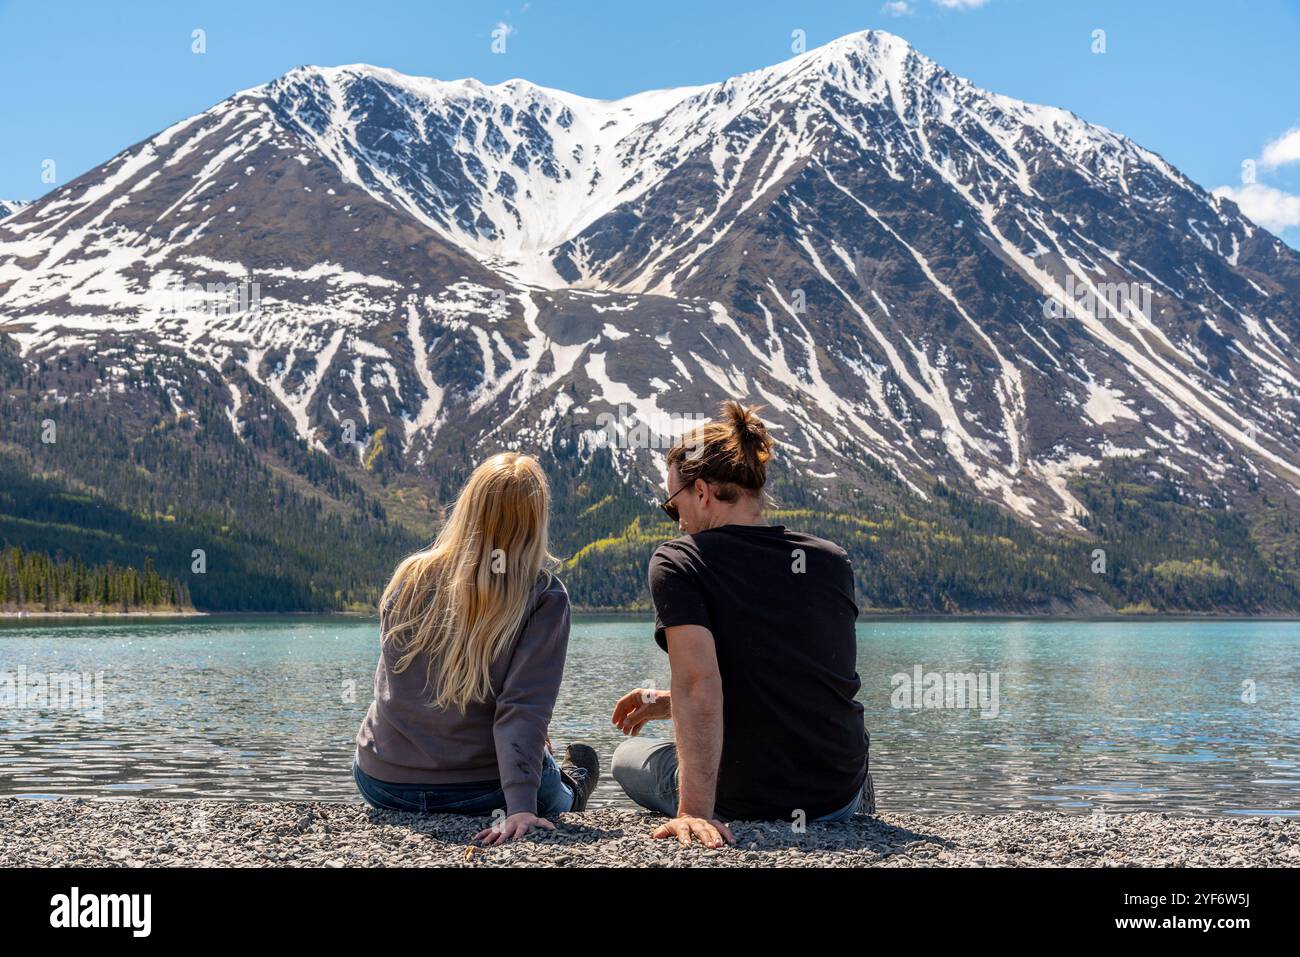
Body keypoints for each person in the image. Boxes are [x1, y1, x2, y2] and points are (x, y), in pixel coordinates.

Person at [610, 401, 873, 848]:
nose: (677, 522)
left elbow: (699, 684)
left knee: (625, 757)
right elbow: (796, 683)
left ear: (703, 492)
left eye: (673, 506)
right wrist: (670, 702)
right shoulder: (830, 561)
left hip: (743, 798)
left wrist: (694, 812)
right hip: (836, 795)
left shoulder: (679, 562)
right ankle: (861, 802)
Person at [353, 452, 599, 845]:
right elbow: (522, 707)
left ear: (468, 506)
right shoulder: (543, 595)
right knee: (553, 789)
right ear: (535, 521)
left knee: (529, 748)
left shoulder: (410, 577)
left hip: (383, 783)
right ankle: (573, 787)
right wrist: (521, 807)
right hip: (484, 791)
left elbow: (396, 691)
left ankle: (549, 769)